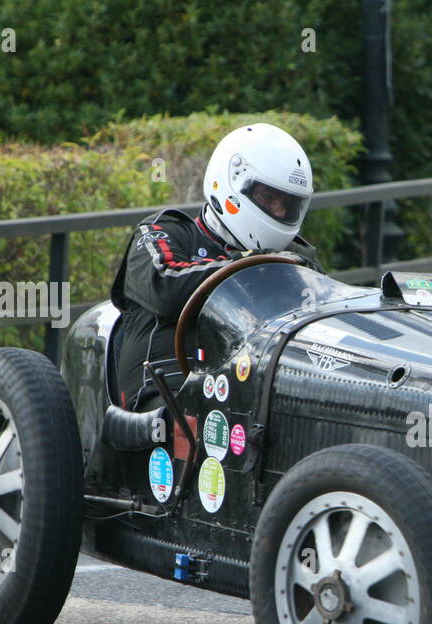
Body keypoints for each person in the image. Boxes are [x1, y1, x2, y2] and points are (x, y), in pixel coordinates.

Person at [111, 123, 319, 410]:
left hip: (258, 383)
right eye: (268, 198)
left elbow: (321, 307)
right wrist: (253, 264)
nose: (280, 212)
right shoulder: (166, 230)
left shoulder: (295, 254)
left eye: (287, 204)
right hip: (167, 387)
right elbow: (165, 286)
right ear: (230, 182)